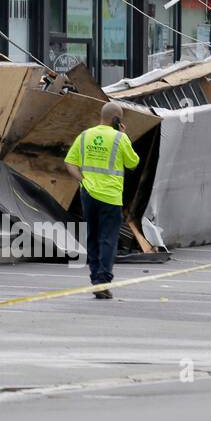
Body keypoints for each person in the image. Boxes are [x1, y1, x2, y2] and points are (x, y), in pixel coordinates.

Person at [65, 101, 139, 299]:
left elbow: (70, 163)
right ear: (117, 120)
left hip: (88, 195)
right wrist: (124, 136)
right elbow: (133, 163)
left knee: (92, 237)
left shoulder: (84, 136)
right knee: (108, 238)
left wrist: (83, 181)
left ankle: (95, 278)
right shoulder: (119, 138)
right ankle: (103, 280)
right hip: (110, 197)